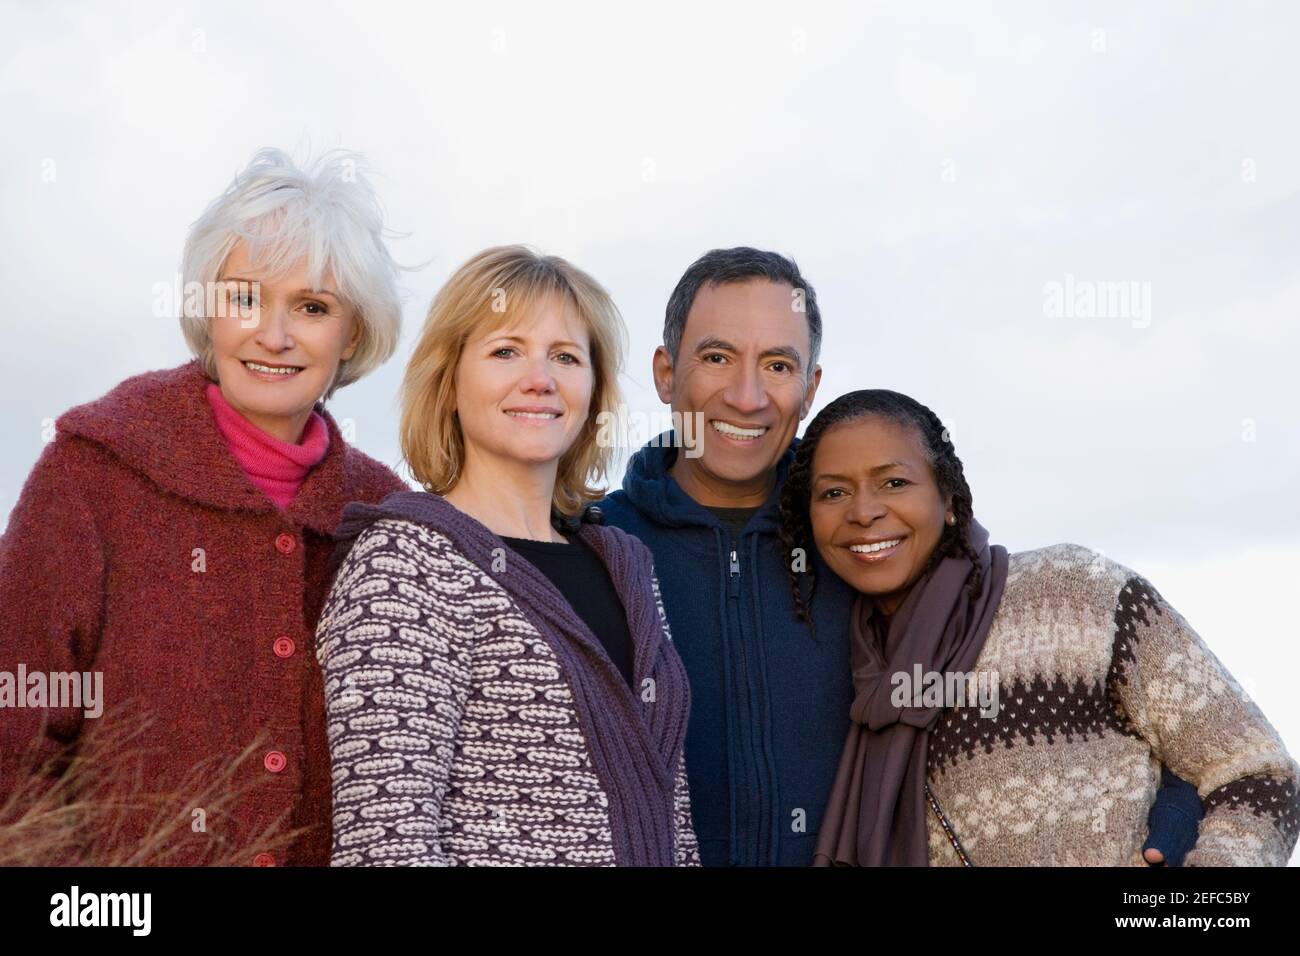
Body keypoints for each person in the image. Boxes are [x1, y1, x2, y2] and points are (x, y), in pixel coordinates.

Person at [600, 247, 1204, 865]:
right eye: (717, 357)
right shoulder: (591, 549)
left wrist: (1174, 822)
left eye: (777, 365)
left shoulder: (861, 543)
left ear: (810, 389)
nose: (748, 396)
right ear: (665, 372)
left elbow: (1174, 739)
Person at [0, 148, 408, 866]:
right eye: (245, 299)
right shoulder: (92, 472)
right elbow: (14, 736)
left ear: (354, 334)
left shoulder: (388, 516)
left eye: (312, 307)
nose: (273, 335)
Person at [778, 389, 1299, 865]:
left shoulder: (1069, 591)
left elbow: (1258, 775)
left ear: (951, 503)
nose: (864, 511)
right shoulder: (835, 660)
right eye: (833, 493)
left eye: (894, 482)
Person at [317, 245, 698, 866]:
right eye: (505, 351)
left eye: (566, 357)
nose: (540, 378)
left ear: (592, 388)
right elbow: (387, 841)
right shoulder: (404, 563)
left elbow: (670, 813)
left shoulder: (626, 566)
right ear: (450, 380)